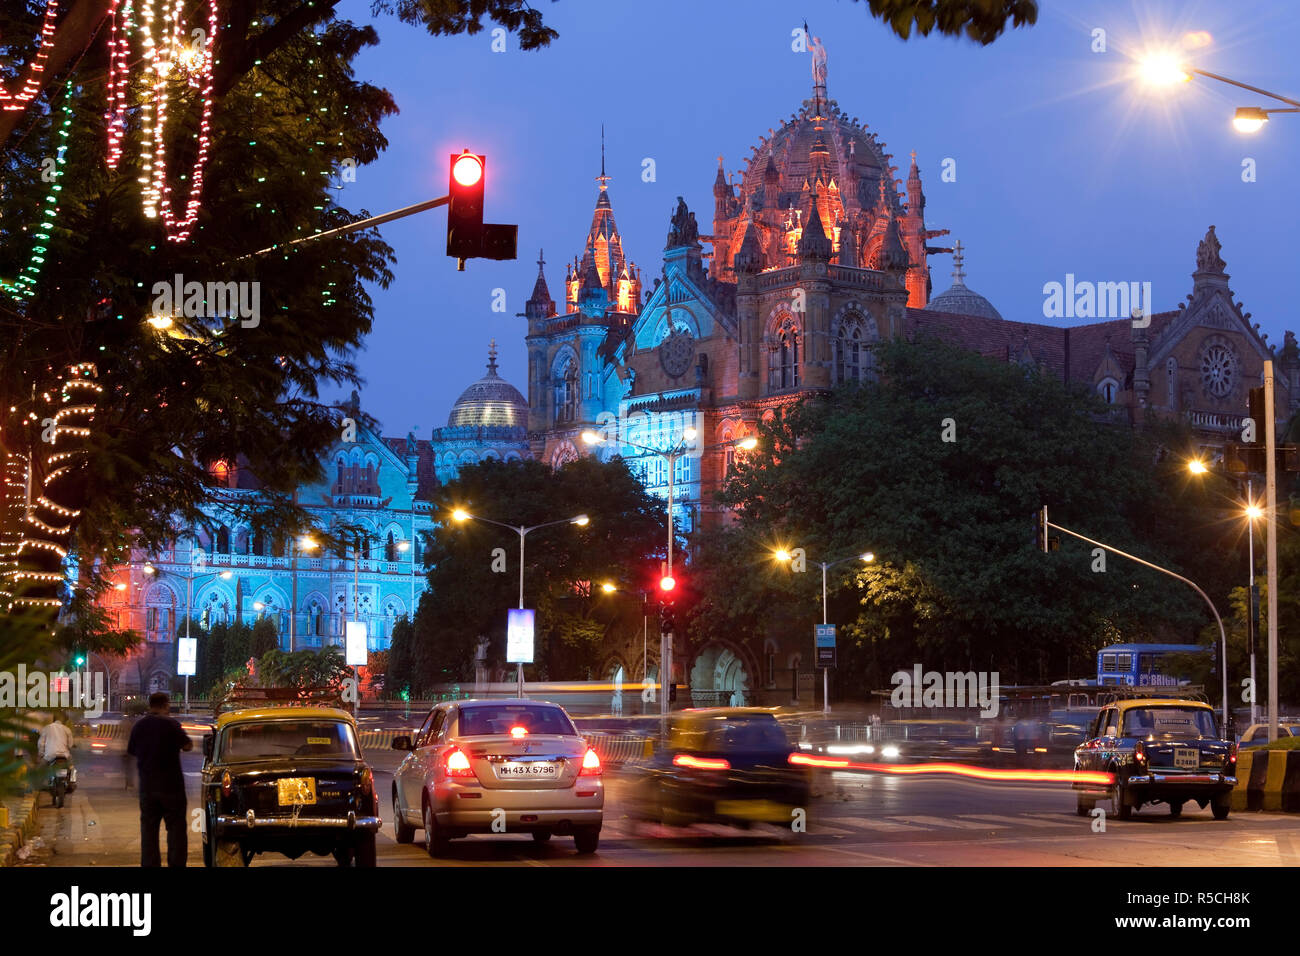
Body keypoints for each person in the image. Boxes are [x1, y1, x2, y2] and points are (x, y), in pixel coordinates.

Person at [127, 692, 193, 867]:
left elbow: (132, 751)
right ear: (166, 705)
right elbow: (187, 745)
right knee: (176, 832)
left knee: (149, 832)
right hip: (173, 788)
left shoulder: (139, 726)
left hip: (148, 788)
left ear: (150, 705)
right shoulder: (172, 724)